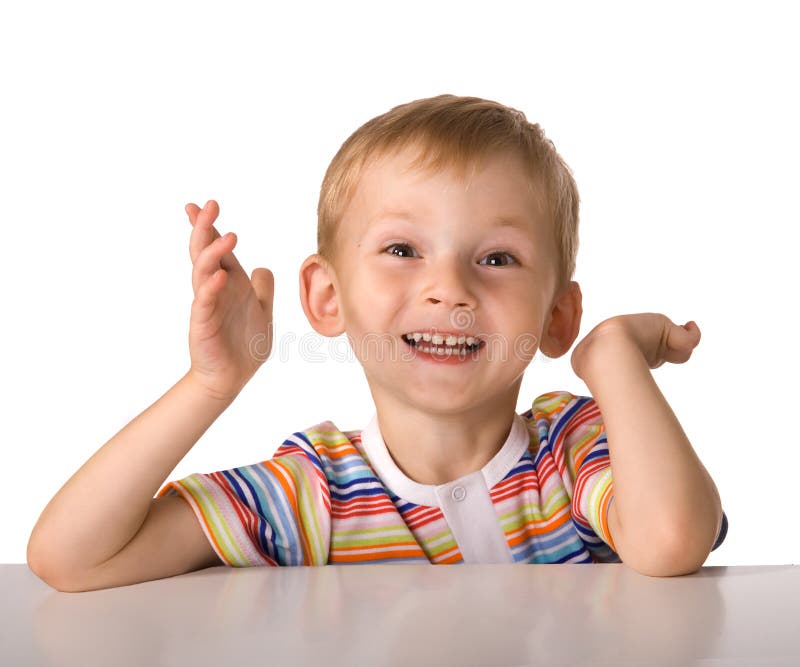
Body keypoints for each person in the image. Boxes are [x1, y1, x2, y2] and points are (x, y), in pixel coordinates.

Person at [26, 94, 727, 592]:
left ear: (556, 317)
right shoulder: (313, 492)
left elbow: (670, 540)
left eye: (497, 258)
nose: (447, 288)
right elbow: (71, 557)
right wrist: (210, 384)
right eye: (402, 248)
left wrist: (614, 359)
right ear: (328, 298)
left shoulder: (577, 452)